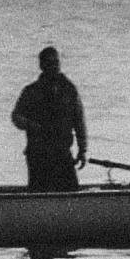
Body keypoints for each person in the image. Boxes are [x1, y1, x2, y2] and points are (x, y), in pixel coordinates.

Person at [11, 46, 87, 191]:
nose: (54, 66)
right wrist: (30, 125)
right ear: (41, 65)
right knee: (39, 193)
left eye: (56, 62)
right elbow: (16, 116)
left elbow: (79, 121)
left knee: (70, 192)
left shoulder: (69, 90)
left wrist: (82, 150)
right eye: (50, 63)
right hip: (38, 153)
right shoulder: (31, 91)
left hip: (62, 152)